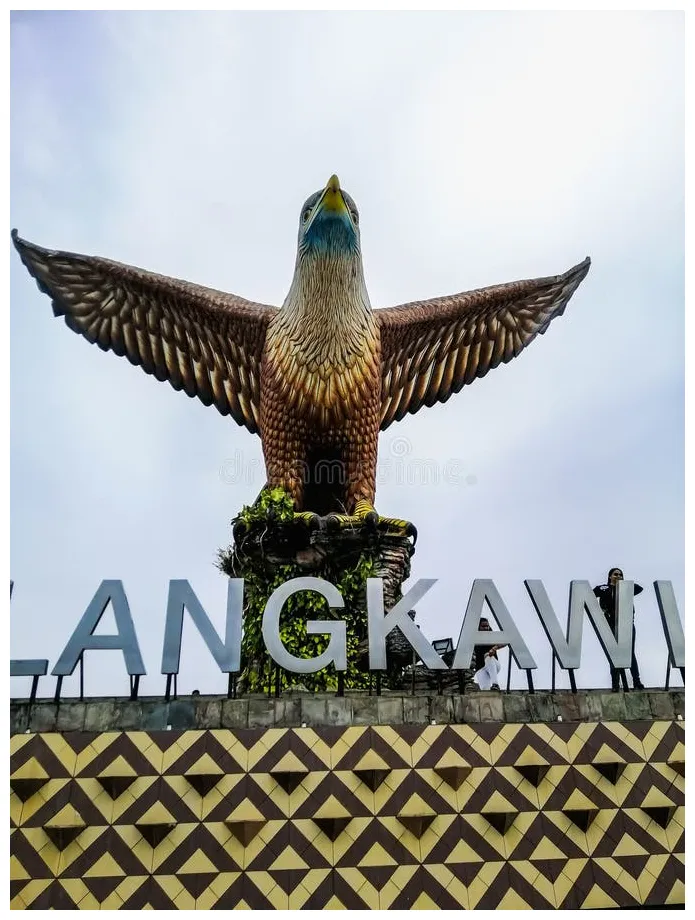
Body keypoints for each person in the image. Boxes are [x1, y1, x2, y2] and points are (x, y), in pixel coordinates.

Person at [593, 567, 644, 691]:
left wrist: (622, 585)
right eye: (615, 574)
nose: (618, 576)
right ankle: (615, 684)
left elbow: (639, 588)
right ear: (610, 576)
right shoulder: (603, 588)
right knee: (614, 654)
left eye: (620, 575)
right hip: (610, 624)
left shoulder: (626, 588)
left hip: (626, 624)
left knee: (630, 653)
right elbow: (591, 594)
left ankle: (637, 681)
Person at [473, 617, 507, 691]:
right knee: (485, 690)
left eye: (487, 626)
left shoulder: (491, 634)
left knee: (488, 656)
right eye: (483, 626)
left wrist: (494, 648)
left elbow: (506, 641)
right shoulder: (473, 638)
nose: (486, 628)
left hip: (493, 665)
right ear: (478, 627)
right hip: (480, 667)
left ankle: (495, 684)